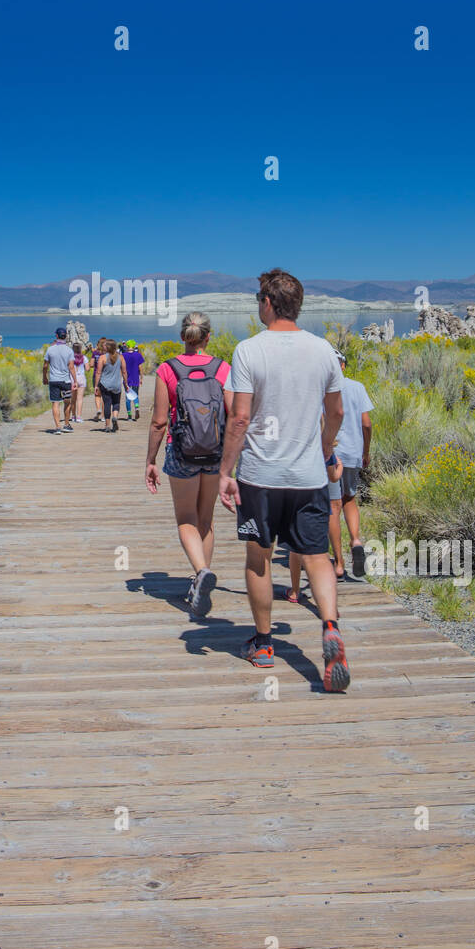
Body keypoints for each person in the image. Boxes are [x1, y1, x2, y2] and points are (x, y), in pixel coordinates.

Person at [218, 268, 350, 692]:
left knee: (258, 557)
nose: (258, 305)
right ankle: (329, 626)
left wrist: (225, 471)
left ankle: (263, 644)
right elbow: (337, 413)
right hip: (308, 475)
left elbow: (240, 417)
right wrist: (326, 449)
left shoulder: (249, 351)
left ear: (269, 303)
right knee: (316, 556)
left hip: (261, 476)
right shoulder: (323, 351)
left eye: (259, 298)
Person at [145, 312, 233, 618]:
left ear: (183, 337)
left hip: (180, 452)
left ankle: (200, 573)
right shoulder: (223, 369)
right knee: (205, 520)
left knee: (185, 519)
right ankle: (201, 578)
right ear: (208, 336)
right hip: (214, 453)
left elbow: (158, 422)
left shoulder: (168, 370)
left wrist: (150, 461)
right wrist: (231, 463)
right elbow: (234, 417)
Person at [333, 349, 374, 578]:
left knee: (332, 506)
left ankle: (339, 563)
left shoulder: (323, 388)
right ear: (344, 366)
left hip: (330, 454)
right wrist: (365, 451)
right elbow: (366, 423)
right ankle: (356, 541)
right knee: (350, 499)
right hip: (352, 453)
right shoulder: (357, 388)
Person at [287, 452, 344, 601]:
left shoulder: (294, 448)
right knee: (320, 554)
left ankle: (294, 591)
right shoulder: (325, 450)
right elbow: (334, 477)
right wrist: (340, 467)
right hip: (318, 504)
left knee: (295, 548)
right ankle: (329, 603)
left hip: (295, 501)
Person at [43, 327, 77, 434]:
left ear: (56, 336)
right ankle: (66, 424)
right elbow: (71, 367)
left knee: (55, 403)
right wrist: (75, 381)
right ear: (65, 336)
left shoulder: (50, 349)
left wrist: (44, 377)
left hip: (53, 380)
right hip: (66, 381)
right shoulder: (69, 350)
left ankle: (58, 427)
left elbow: (45, 366)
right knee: (67, 402)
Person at [96, 339, 127, 432]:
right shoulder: (121, 357)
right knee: (116, 403)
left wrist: (96, 386)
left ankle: (107, 425)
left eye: (105, 345)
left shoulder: (102, 358)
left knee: (107, 404)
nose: (104, 346)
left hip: (105, 384)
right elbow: (124, 371)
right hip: (116, 384)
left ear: (108, 347)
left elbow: (98, 372)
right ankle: (115, 417)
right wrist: (126, 383)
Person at [121, 339, 145, 420]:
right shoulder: (138, 355)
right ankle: (137, 407)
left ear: (127, 346)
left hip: (127, 379)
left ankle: (129, 415)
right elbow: (140, 368)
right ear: (134, 346)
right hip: (135, 378)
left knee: (128, 397)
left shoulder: (123, 355)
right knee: (135, 395)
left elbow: (122, 368)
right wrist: (141, 378)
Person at [71, 342, 88, 422]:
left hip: (72, 379)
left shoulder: (70, 357)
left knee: (73, 399)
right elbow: (87, 369)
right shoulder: (84, 358)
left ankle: (73, 416)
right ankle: (79, 417)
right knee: (80, 398)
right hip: (81, 378)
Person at [91, 338, 107, 422]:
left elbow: (91, 364)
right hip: (106, 377)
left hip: (96, 375)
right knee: (105, 396)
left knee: (97, 395)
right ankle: (104, 416)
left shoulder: (95, 353)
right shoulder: (107, 354)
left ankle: (98, 409)